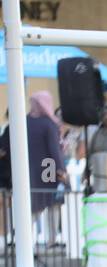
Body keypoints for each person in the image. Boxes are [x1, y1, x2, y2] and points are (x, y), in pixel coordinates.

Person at [0, 92, 66, 242]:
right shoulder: (49, 124)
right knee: (52, 203)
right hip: (48, 169)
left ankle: (25, 241)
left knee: (32, 206)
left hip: (27, 170)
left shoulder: (22, 123)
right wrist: (61, 170)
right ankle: (52, 240)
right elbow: (55, 150)